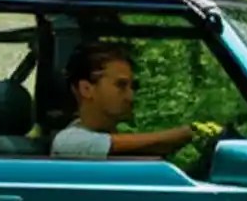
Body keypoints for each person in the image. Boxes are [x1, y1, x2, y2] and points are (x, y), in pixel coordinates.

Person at [50, 41, 194, 158]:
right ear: (86, 89)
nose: (130, 97)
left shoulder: (102, 137)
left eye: (132, 87)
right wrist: (188, 132)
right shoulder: (68, 141)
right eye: (121, 85)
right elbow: (150, 143)